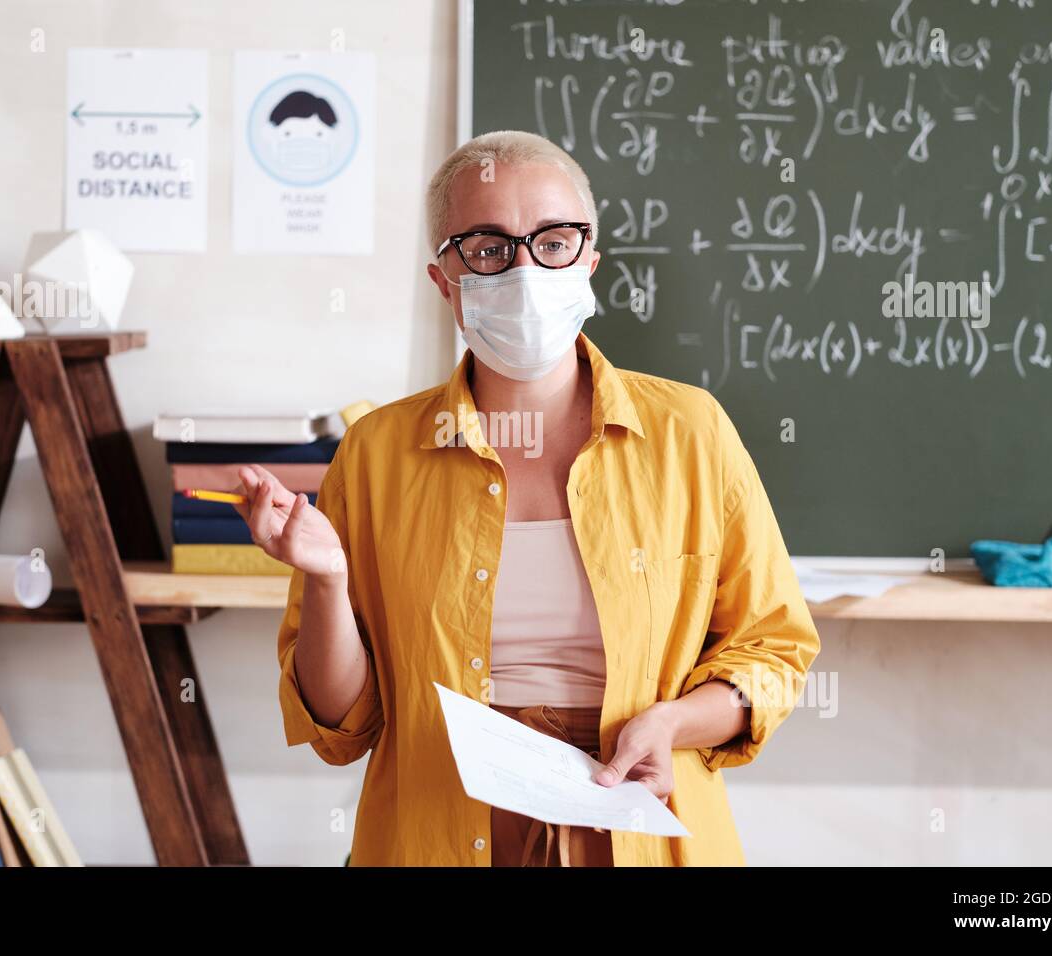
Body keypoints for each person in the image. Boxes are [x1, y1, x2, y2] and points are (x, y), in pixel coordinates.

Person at [234, 130, 820, 866]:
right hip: (437, 827)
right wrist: (327, 580)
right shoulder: (377, 452)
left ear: (591, 261)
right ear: (444, 280)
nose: (525, 269)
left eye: (554, 241)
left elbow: (773, 650)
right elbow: (341, 726)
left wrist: (673, 723)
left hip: (641, 822)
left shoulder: (690, 432)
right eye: (487, 246)